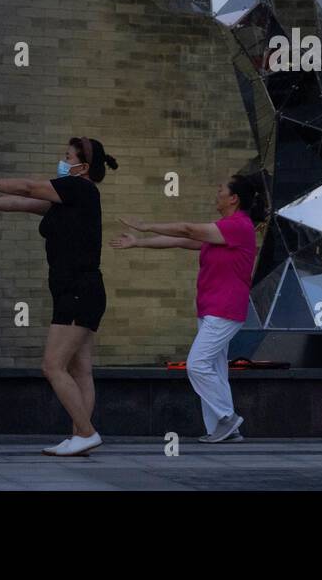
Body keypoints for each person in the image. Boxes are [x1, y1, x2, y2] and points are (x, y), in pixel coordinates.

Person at [0, 137, 117, 457]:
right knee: (80, 370)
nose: (62, 161)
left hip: (77, 291)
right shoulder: (66, 197)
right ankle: (79, 435)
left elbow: (27, 188)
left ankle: (87, 431)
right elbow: (21, 203)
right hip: (82, 290)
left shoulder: (79, 189)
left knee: (52, 366)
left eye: (67, 157)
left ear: (82, 165)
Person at [110, 174, 263, 443]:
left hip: (224, 309)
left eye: (220, 190)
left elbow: (186, 229)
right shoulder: (223, 229)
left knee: (197, 365)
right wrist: (139, 242)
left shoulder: (238, 226)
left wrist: (146, 226)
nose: (216, 194)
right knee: (215, 370)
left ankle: (227, 418)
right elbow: (181, 241)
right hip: (211, 309)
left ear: (233, 198)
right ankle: (225, 429)